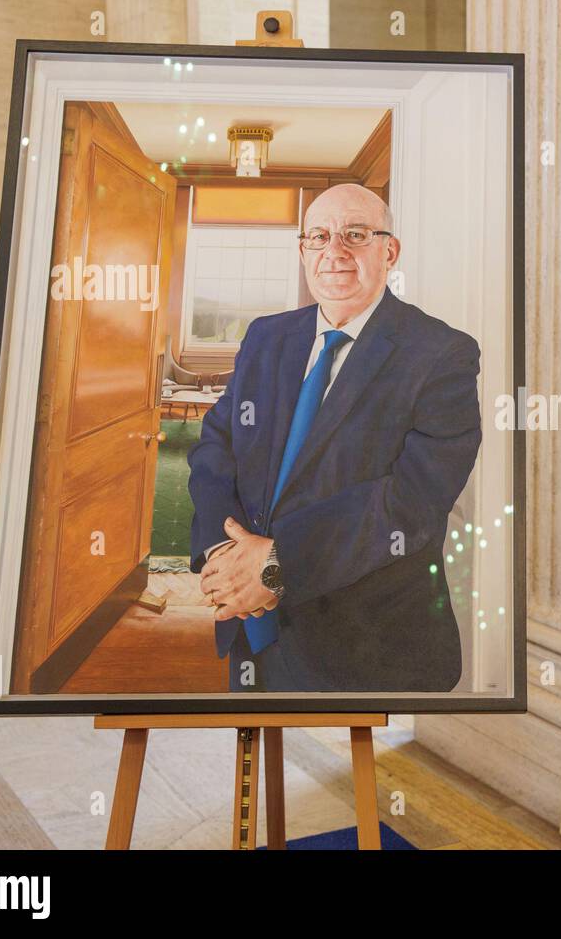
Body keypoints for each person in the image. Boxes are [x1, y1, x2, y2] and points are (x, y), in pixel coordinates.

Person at [188, 183, 481, 692]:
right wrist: (222, 551)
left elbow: (411, 503)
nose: (334, 251)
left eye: (355, 234)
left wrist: (275, 566)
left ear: (388, 251)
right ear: (303, 251)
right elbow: (217, 446)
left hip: (364, 647)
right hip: (251, 626)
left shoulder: (441, 353)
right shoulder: (266, 337)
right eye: (319, 236)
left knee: (342, 774)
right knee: (258, 760)